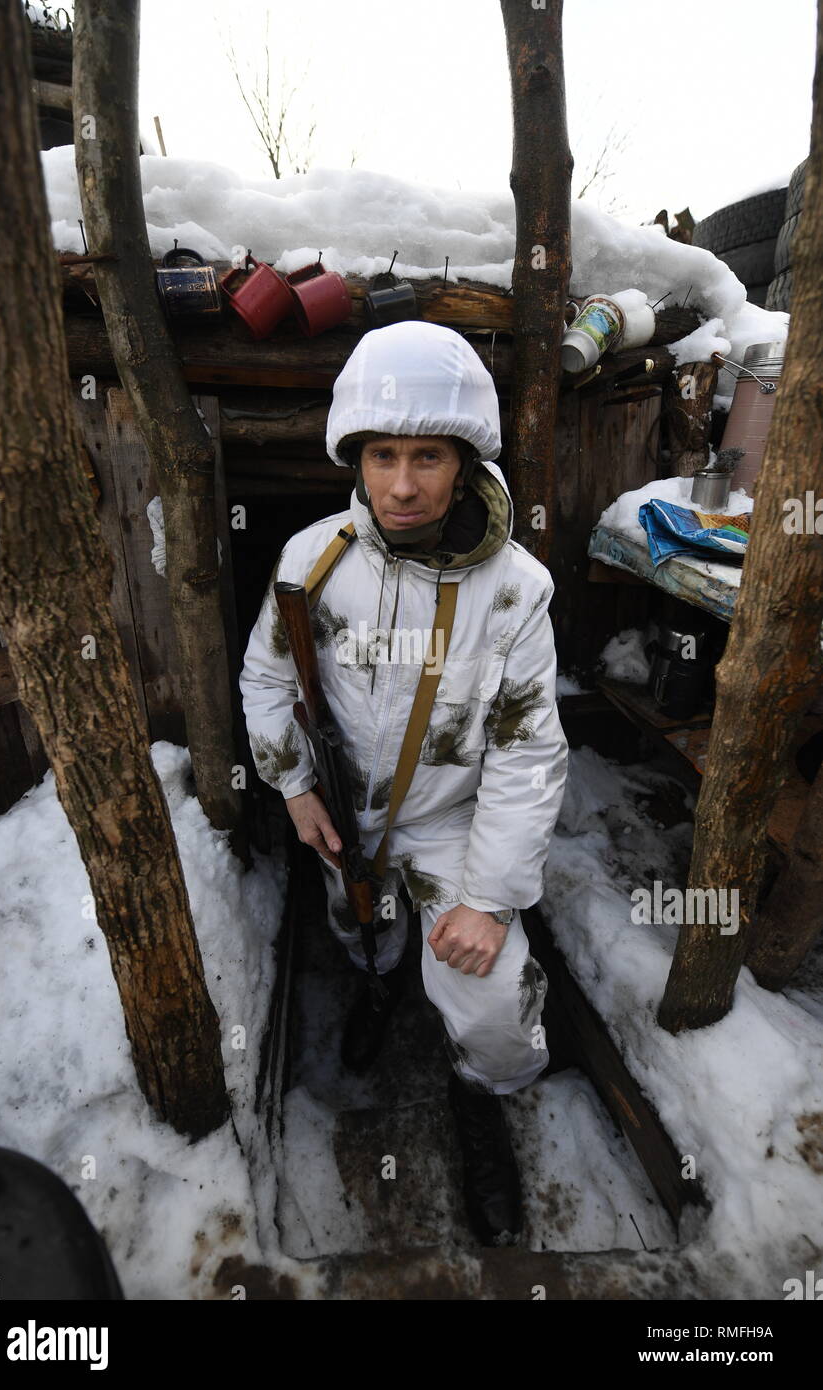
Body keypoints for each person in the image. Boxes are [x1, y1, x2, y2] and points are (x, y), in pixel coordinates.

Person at [239, 320, 569, 1246]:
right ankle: (381, 990)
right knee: (360, 932)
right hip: (343, 816)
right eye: (382, 455)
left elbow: (527, 751)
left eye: (428, 455)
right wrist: (294, 786)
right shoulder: (315, 560)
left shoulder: (517, 590)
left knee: (493, 996)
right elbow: (266, 678)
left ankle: (480, 1099)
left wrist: (493, 901)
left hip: (449, 826)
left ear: (464, 462)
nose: (401, 484)